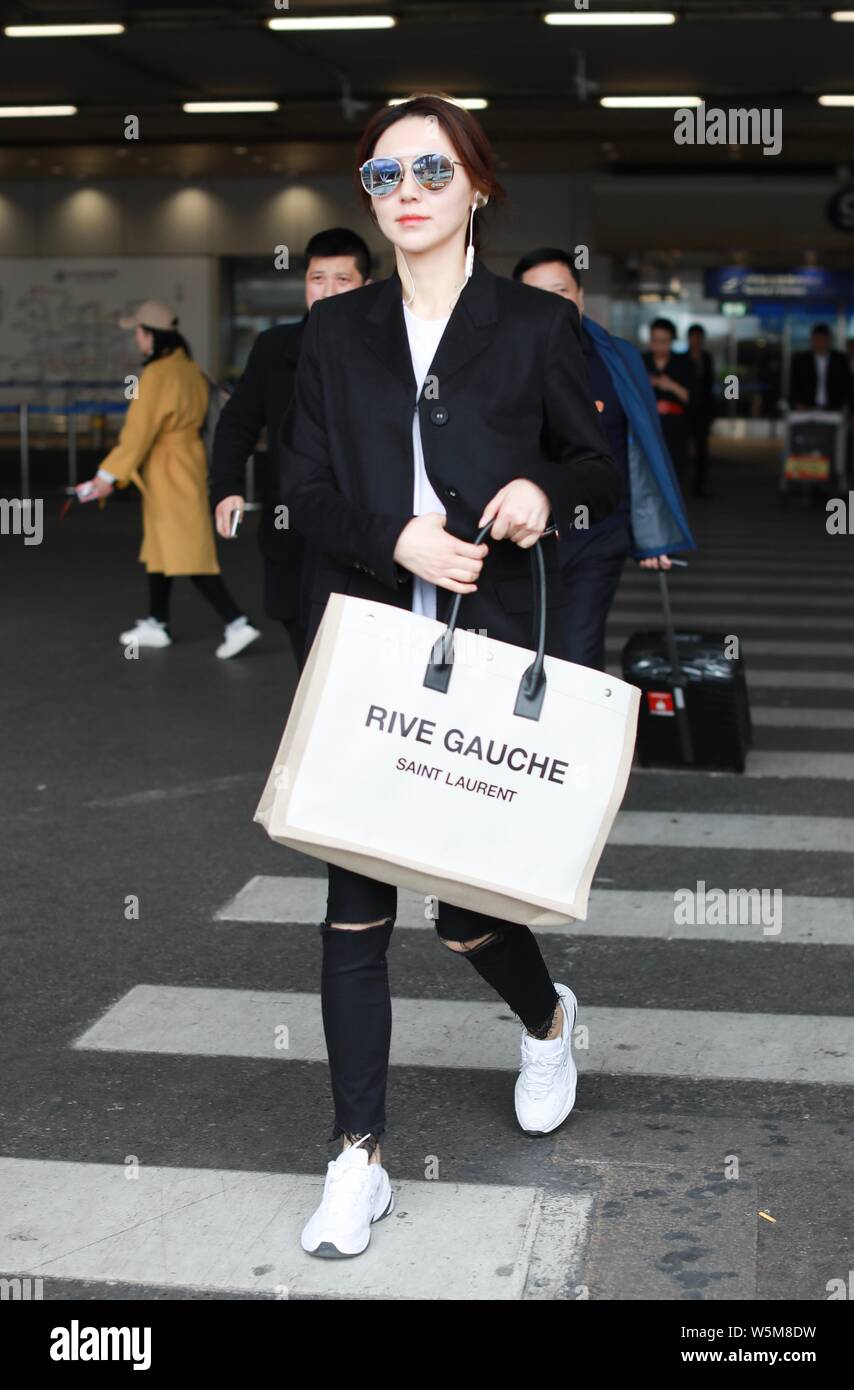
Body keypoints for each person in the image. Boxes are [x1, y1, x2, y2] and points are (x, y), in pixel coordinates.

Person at [278, 93, 622, 1258]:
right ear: (368, 202)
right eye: (383, 176)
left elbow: (597, 468)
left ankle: (545, 1017)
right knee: (352, 911)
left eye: (431, 169)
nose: (407, 190)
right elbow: (306, 499)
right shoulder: (334, 332)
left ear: (475, 185)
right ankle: (354, 1159)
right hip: (372, 645)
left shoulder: (532, 325)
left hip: (491, 649)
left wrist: (539, 493)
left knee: (467, 910)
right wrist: (396, 538)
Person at [512, 249, 695, 671]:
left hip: (599, 533)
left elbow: (642, 447)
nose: (552, 305)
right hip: (522, 537)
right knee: (519, 653)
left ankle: (575, 735)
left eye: (561, 292)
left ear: (579, 296)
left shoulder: (619, 358)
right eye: (536, 295)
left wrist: (650, 533)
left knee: (578, 654)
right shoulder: (500, 361)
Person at [211, 229, 372, 669]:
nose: (327, 291)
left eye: (343, 280)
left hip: (367, 533)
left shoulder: (389, 349)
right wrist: (226, 486)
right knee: (307, 653)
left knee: (364, 659)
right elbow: (238, 422)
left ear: (366, 287)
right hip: (292, 530)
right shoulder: (274, 348)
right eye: (317, 278)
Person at [79, 301, 260, 658]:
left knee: (188, 552)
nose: (136, 338)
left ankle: (237, 622)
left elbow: (138, 433)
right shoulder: (190, 369)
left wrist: (106, 476)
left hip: (167, 469)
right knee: (162, 547)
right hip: (185, 464)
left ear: (151, 335)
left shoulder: (158, 374)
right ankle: (156, 622)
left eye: (138, 332)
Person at [642, 317, 691, 487]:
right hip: (648, 425)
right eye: (655, 341)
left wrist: (671, 386)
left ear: (672, 341)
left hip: (675, 428)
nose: (659, 346)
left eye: (664, 341)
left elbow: (693, 398)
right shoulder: (641, 361)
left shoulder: (684, 363)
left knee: (673, 473)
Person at [790, 324, 854, 412]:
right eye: (817, 339)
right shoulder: (801, 360)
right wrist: (798, 402)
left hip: (834, 407)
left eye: (824, 339)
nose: (820, 342)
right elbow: (794, 384)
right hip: (806, 407)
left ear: (829, 340)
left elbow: (848, 385)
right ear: (812, 340)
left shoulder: (840, 359)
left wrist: (848, 406)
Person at [685, 322, 715, 498]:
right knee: (682, 449)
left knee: (702, 450)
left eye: (698, 338)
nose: (696, 341)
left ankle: (699, 486)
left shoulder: (707, 358)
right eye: (693, 337)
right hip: (686, 410)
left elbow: (709, 386)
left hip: (703, 411)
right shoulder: (682, 358)